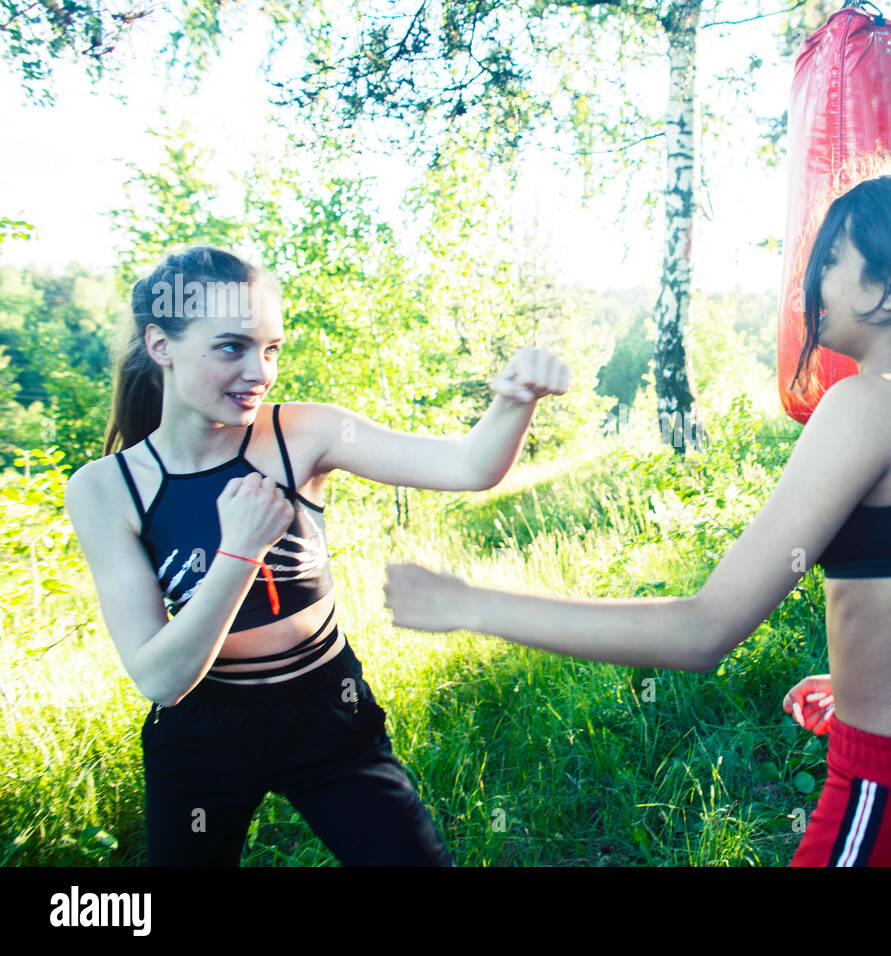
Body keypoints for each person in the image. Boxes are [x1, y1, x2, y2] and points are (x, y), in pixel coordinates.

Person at [383, 173, 891, 866]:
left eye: (832, 262)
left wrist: (468, 603)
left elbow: (702, 632)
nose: (812, 284)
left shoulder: (868, 405)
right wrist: (873, 685)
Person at [64, 245, 569, 866]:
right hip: (203, 730)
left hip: (328, 708)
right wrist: (240, 550)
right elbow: (161, 679)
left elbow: (467, 467)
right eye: (232, 347)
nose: (260, 371)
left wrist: (515, 400)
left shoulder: (302, 433)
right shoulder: (106, 488)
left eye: (271, 348)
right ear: (161, 345)